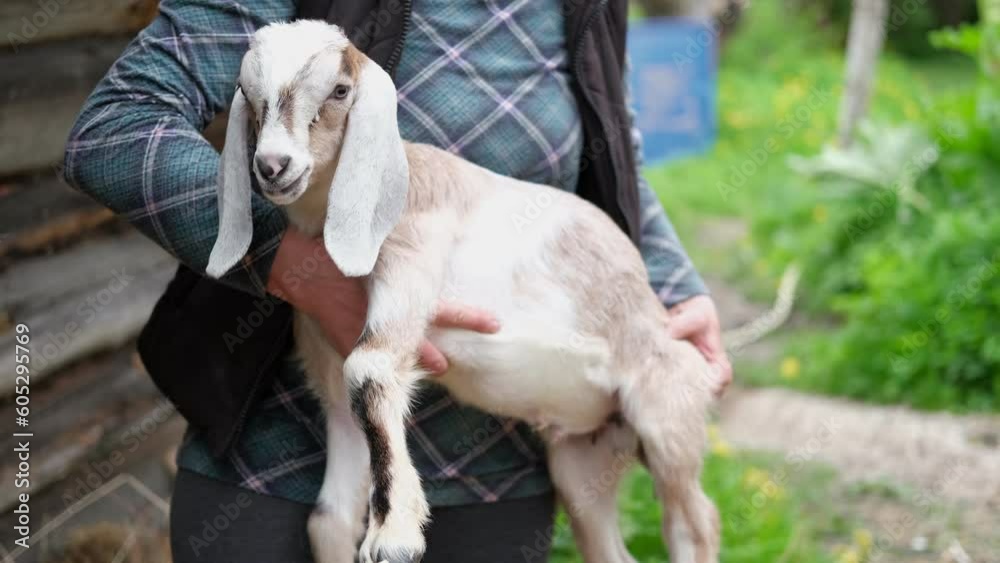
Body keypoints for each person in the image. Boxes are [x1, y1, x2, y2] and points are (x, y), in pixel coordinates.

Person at [64, 0, 732, 561]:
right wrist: (296, 264)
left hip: (498, 469)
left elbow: (612, 138)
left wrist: (675, 282)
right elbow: (115, 131)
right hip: (284, 463)